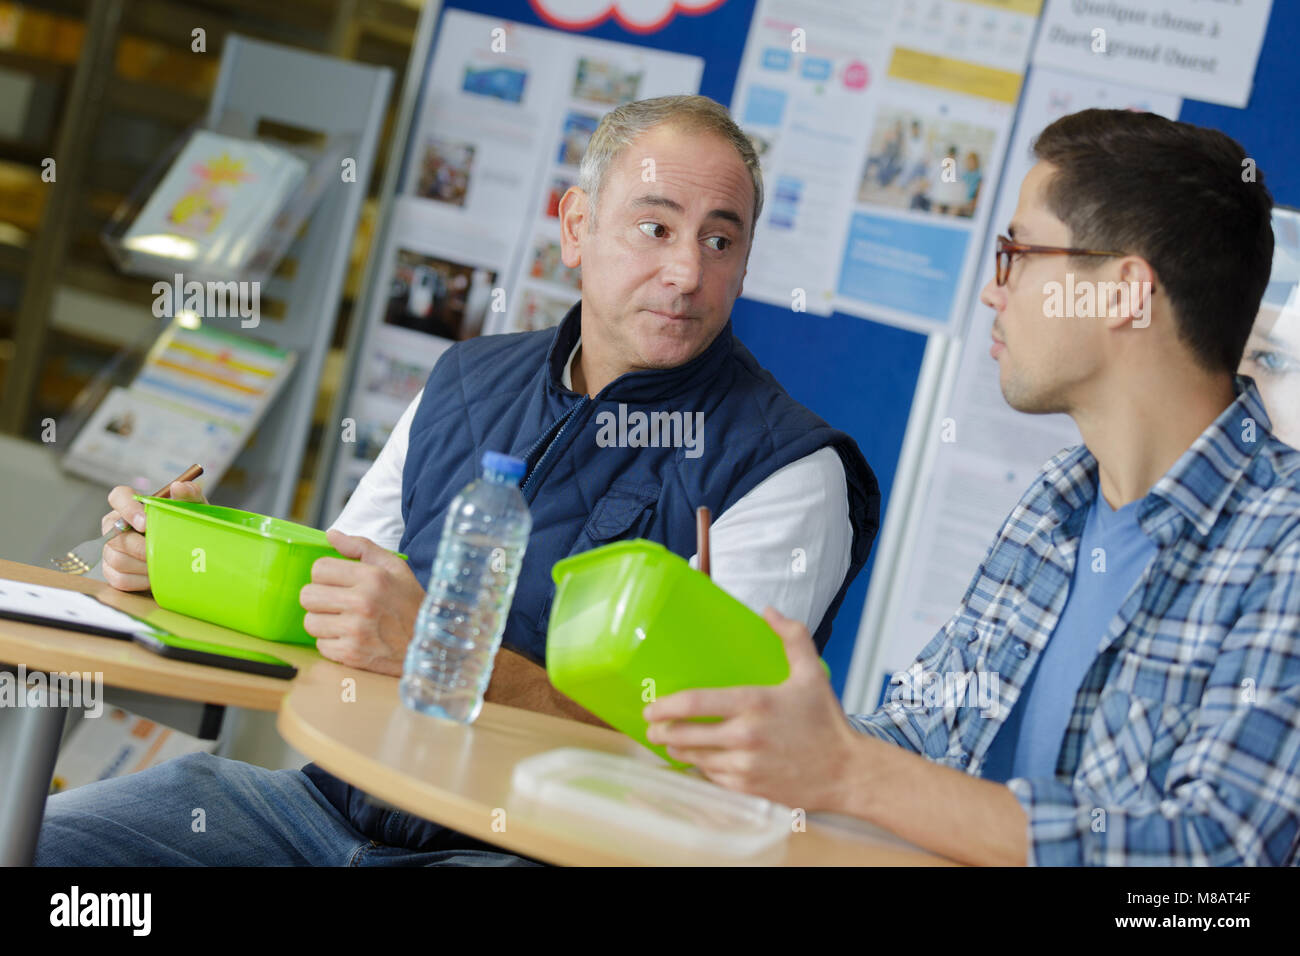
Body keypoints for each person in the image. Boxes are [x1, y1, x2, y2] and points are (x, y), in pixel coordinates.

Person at [36, 94, 881, 866]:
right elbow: (329, 588)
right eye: (655, 228)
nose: (688, 272)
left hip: (532, 854)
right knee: (46, 847)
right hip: (320, 811)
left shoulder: (788, 470)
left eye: (720, 240)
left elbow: (711, 764)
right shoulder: (467, 379)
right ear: (576, 227)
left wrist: (445, 656)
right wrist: (183, 556)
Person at [644, 108, 1300, 866]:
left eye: (1017, 255)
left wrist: (847, 770)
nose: (994, 293)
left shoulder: (1282, 544)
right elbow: (924, 735)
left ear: (1122, 293)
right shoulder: (1056, 502)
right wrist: (768, 726)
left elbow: (1212, 861)